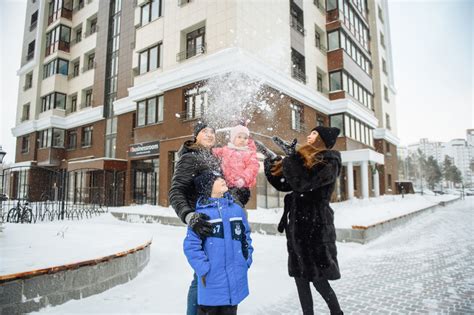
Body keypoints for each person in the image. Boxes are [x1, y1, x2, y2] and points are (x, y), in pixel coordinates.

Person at [255, 126, 343, 315]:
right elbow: (285, 184)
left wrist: (292, 157)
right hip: (297, 227)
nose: (309, 136)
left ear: (322, 139)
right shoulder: (304, 158)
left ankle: (337, 313)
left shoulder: (330, 161)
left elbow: (304, 183)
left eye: (314, 133)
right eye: (310, 133)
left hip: (315, 227)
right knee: (300, 278)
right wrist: (271, 158)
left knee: (319, 279)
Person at [169, 122, 222, 315]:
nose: (209, 135)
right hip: (201, 224)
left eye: (212, 132)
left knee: (212, 274)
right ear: (196, 136)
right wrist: (190, 216)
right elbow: (176, 191)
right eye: (204, 131)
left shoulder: (214, 159)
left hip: (217, 223)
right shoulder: (190, 158)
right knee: (201, 276)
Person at [183, 170, 253, 315]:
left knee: (230, 310)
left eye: (221, 177)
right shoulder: (202, 215)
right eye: (216, 179)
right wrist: (203, 269)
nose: (222, 180)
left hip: (235, 279)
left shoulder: (236, 210)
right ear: (208, 188)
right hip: (212, 283)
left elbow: (245, 236)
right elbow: (191, 246)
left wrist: (246, 259)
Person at [212, 124, 259, 207]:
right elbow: (214, 152)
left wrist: (243, 179)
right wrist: (206, 149)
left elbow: (253, 168)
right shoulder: (226, 149)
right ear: (233, 138)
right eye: (239, 137)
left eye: (245, 138)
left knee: (235, 204)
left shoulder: (249, 153)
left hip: (242, 187)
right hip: (226, 186)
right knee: (224, 205)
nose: (242, 140)